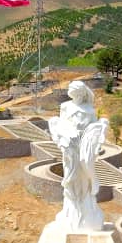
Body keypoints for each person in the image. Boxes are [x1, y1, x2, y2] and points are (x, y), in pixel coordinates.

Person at [48, 81, 109, 231]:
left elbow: (94, 127)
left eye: (79, 93)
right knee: (70, 176)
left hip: (84, 145)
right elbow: (60, 125)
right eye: (74, 93)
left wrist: (101, 127)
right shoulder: (65, 107)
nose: (77, 96)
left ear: (83, 93)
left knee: (84, 175)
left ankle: (88, 201)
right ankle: (71, 210)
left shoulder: (89, 109)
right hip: (70, 147)